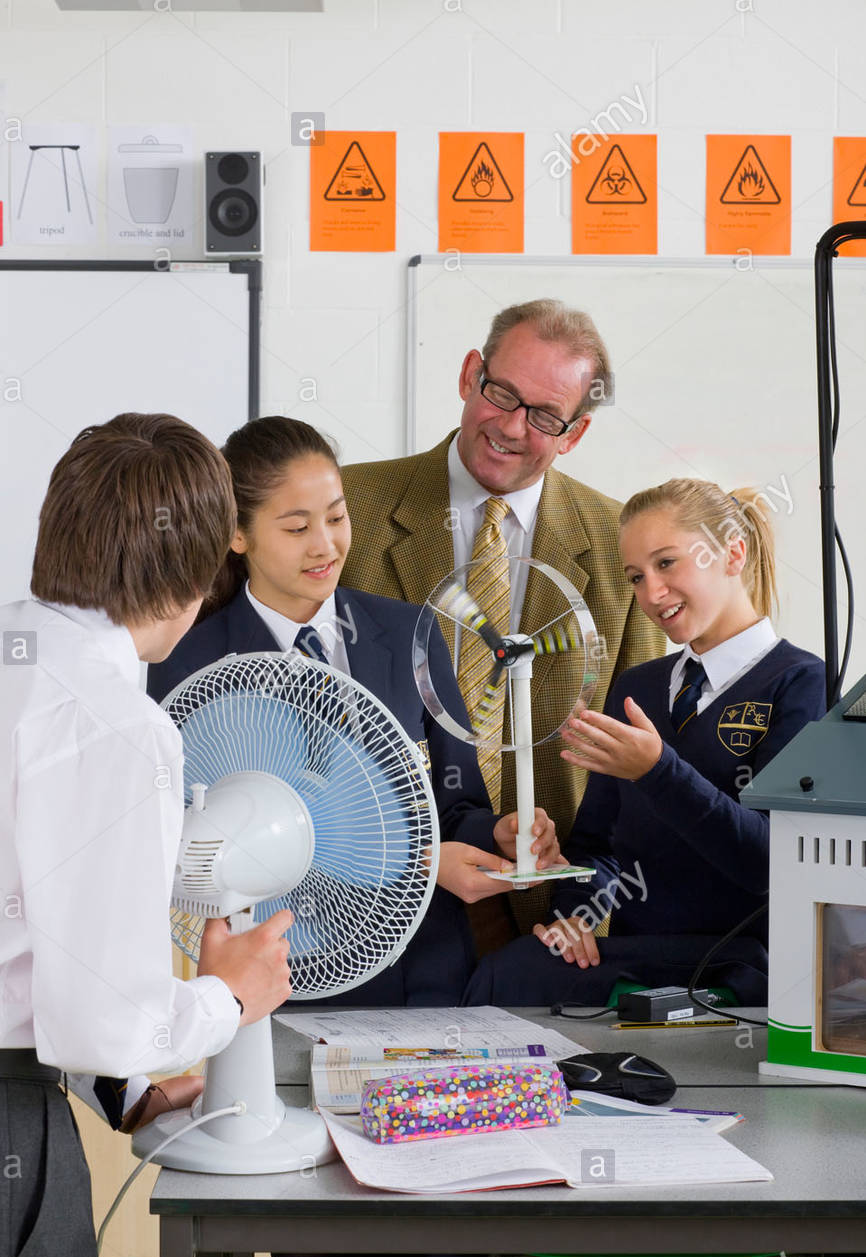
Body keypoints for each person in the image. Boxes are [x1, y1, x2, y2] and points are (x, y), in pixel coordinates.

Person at [0, 414, 293, 1257]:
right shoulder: (120, 728)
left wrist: (122, 1086)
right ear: (202, 576)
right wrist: (228, 997)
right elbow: (102, 1015)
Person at [147, 415, 560, 1009]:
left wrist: (496, 833)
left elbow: (454, 801)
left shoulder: (410, 631)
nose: (326, 545)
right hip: (278, 970)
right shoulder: (190, 660)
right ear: (237, 535)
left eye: (337, 517)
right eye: (296, 527)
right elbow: (189, 842)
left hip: (423, 969)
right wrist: (421, 865)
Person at [339, 298, 665, 947]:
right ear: (468, 375)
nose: (512, 427)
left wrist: (593, 912)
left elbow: (633, 777)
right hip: (372, 911)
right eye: (501, 394)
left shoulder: (618, 542)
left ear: (574, 433)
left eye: (544, 416)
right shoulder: (345, 511)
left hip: (553, 930)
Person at [463, 478, 826, 1007]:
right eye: (635, 576)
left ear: (733, 553)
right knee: (505, 975)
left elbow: (771, 863)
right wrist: (575, 919)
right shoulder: (638, 688)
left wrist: (659, 771)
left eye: (667, 564)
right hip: (637, 957)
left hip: (742, 963)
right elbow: (597, 846)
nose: (651, 594)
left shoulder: (801, 683)